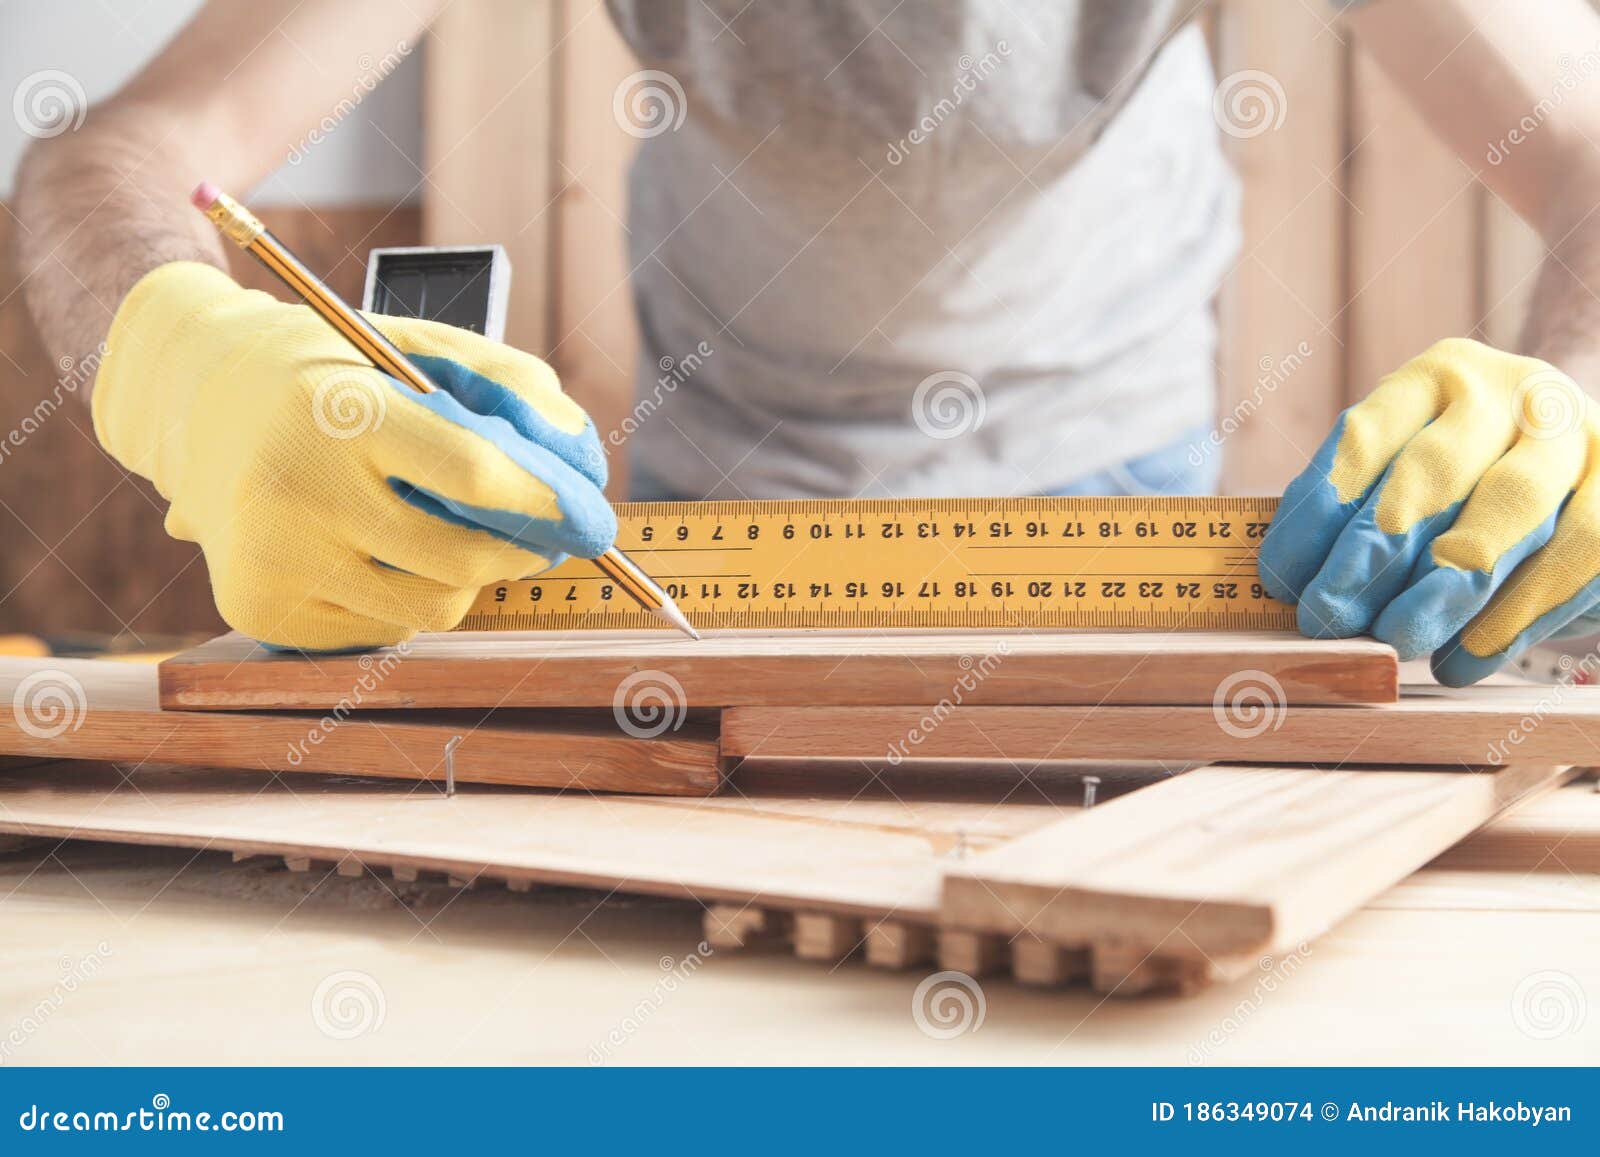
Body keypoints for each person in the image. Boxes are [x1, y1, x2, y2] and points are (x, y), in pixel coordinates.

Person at [15, 0, 1600, 681]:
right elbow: (112, 158)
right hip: (715, 522)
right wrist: (196, 372)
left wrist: (1575, 405)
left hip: (1135, 501)